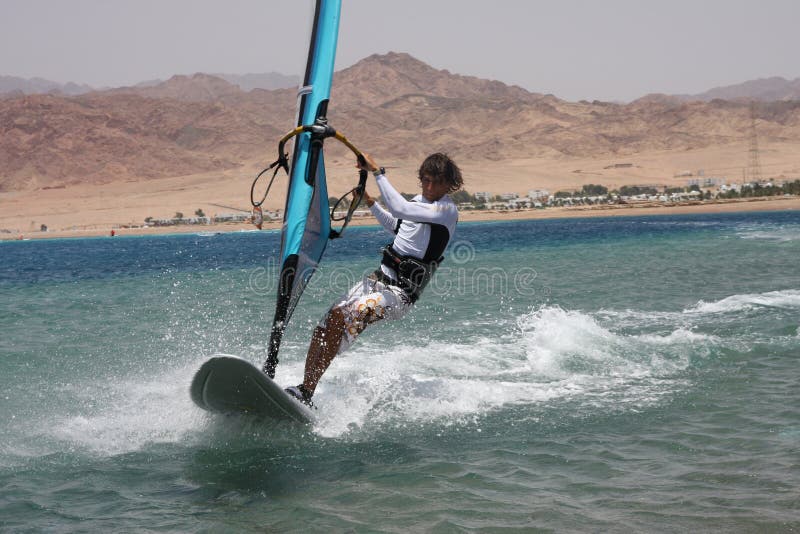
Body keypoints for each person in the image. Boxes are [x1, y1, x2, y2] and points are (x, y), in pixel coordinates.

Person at [285, 152, 463, 406]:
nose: (430, 187)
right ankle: (305, 391)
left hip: (400, 294)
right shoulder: (419, 203)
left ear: (449, 184)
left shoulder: (445, 209)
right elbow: (397, 225)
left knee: (345, 315)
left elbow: (401, 208)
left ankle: (307, 390)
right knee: (324, 327)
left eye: (437, 182)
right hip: (376, 280)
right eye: (426, 180)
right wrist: (369, 202)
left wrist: (377, 172)